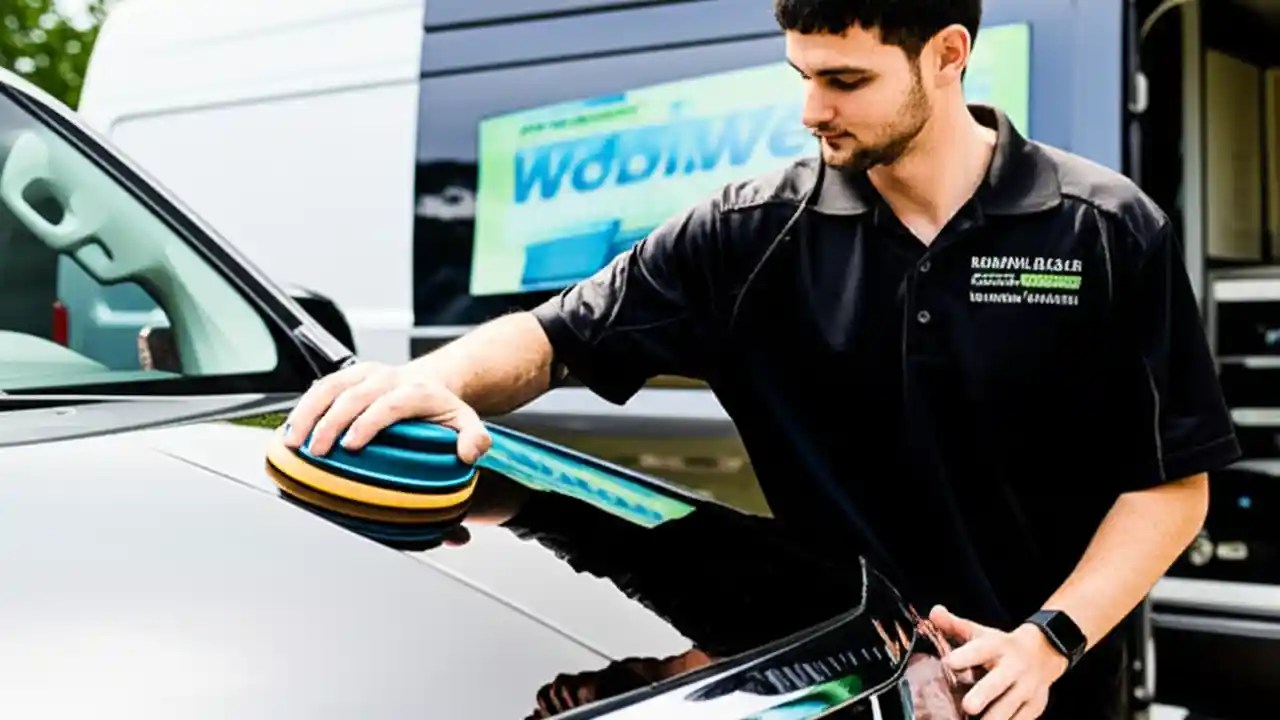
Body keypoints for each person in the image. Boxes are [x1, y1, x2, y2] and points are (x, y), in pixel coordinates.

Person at [282, 1, 1241, 718]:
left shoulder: (1104, 229)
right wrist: (426, 383)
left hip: (1048, 690)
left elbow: (1169, 486)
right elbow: (554, 337)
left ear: (947, 56)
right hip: (835, 685)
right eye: (801, 75)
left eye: (846, 81)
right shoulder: (748, 235)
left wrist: (1046, 644)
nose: (811, 111)